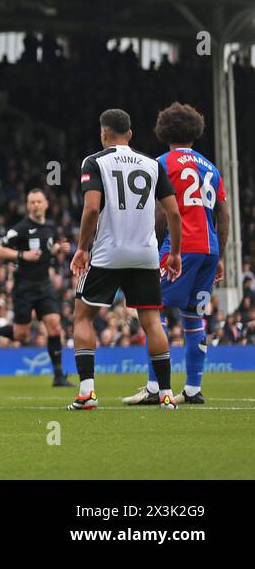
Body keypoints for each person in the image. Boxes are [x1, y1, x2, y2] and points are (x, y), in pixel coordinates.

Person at [68, 109, 182, 410]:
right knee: (152, 322)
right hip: (145, 254)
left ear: (103, 133)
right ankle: (166, 393)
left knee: (82, 317)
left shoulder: (94, 162)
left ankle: (87, 392)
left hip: (109, 252)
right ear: (130, 134)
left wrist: (82, 248)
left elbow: (92, 209)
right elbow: (173, 213)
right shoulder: (153, 164)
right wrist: (175, 253)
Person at [124, 103, 228, 405]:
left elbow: (161, 212)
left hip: (180, 248)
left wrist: (156, 246)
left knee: (152, 310)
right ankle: (193, 389)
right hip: (209, 250)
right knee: (194, 317)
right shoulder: (211, 167)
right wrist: (219, 255)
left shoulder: (161, 163)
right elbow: (223, 213)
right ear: (195, 131)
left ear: (163, 131)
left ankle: (154, 387)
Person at [0, 188, 73, 386]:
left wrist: (58, 249)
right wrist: (22, 255)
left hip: (44, 285)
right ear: (27, 205)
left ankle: (58, 375)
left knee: (54, 325)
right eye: (32, 202)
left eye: (39, 202)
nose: (35, 205)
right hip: (24, 287)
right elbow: (0, 250)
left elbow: (47, 248)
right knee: (21, 335)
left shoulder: (50, 226)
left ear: (46, 204)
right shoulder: (20, 228)